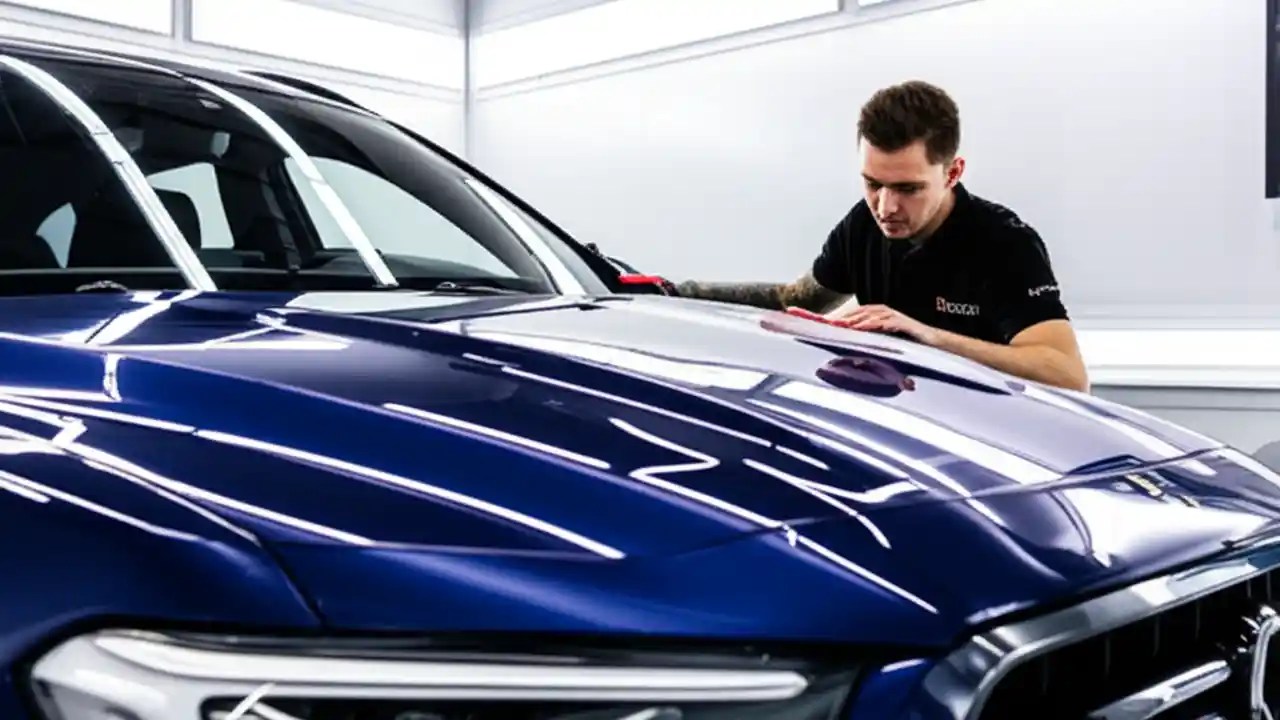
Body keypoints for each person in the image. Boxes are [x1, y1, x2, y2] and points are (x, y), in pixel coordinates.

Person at [674, 80, 1090, 393]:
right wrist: (674, 290)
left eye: (907, 189)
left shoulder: (1003, 243)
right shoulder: (863, 224)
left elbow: (1069, 377)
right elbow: (797, 299)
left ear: (953, 172)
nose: (885, 207)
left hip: (986, 439)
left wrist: (927, 339)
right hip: (901, 425)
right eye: (872, 184)